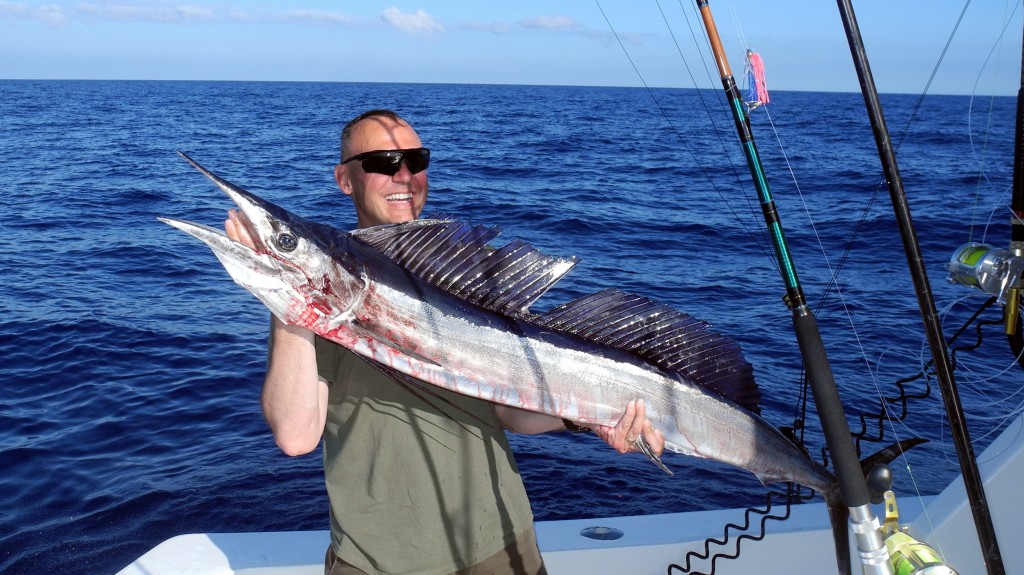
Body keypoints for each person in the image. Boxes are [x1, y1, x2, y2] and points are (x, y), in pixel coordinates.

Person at [225, 109, 665, 575]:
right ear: (345, 179)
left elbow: (506, 411)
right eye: (381, 161)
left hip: (504, 546)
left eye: (416, 159)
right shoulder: (325, 299)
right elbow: (296, 437)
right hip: (377, 564)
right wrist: (290, 303)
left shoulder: (468, 274)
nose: (404, 175)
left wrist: (588, 416)